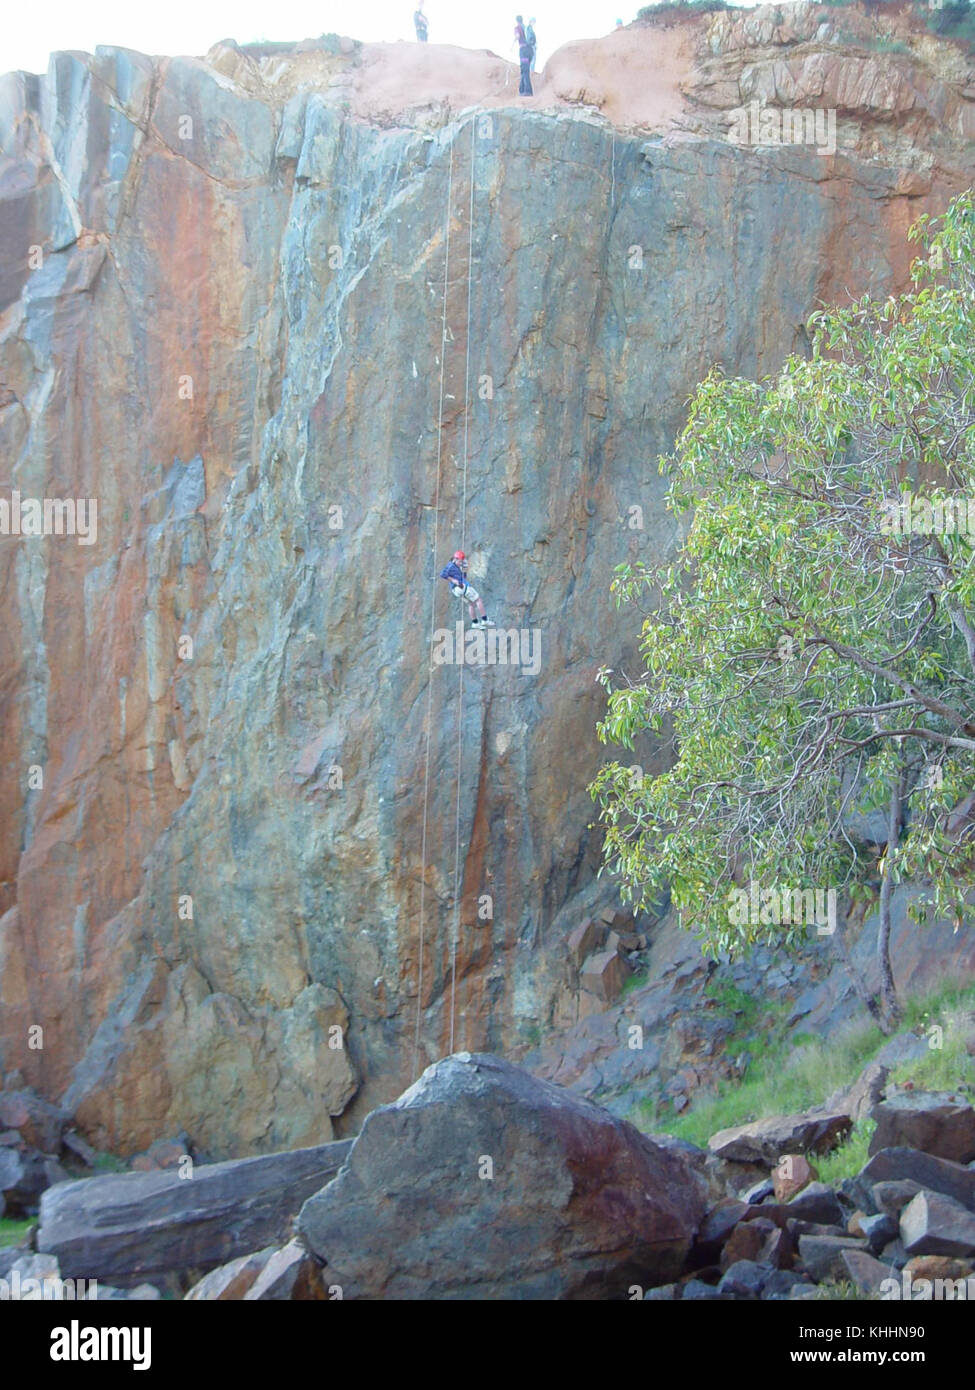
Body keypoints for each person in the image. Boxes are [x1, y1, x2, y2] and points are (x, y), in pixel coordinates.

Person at [439, 550, 495, 628]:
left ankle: (475, 623)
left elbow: (463, 577)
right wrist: (453, 580)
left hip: (458, 589)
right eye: (460, 561)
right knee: (478, 600)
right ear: (456, 559)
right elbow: (442, 574)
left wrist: (464, 570)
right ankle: (485, 620)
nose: (461, 563)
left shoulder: (456, 566)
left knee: (471, 604)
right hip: (460, 587)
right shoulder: (451, 565)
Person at [514, 15, 533, 96]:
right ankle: (521, 90)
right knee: (525, 69)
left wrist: (514, 40)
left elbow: (517, 36)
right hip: (530, 51)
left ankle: (528, 91)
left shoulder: (517, 28)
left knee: (524, 70)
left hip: (523, 51)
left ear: (516, 20)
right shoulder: (526, 27)